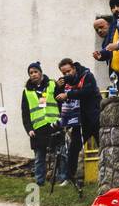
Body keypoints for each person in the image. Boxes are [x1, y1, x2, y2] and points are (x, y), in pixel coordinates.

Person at [56, 57, 99, 193]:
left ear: (74, 68)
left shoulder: (87, 75)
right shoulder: (65, 83)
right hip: (78, 120)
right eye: (64, 73)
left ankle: (104, 176)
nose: (67, 75)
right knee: (74, 149)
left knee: (103, 147)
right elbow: (58, 98)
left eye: (68, 71)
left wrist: (68, 94)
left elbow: (87, 92)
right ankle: (69, 177)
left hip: (94, 117)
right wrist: (59, 88)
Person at [21, 61, 65, 186]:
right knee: (39, 157)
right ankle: (39, 182)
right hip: (37, 128)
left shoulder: (52, 84)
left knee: (60, 153)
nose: (33, 74)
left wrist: (63, 120)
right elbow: (25, 113)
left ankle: (62, 178)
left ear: (41, 72)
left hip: (54, 124)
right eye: (31, 73)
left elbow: (61, 101)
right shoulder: (27, 92)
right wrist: (28, 129)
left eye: (35, 72)